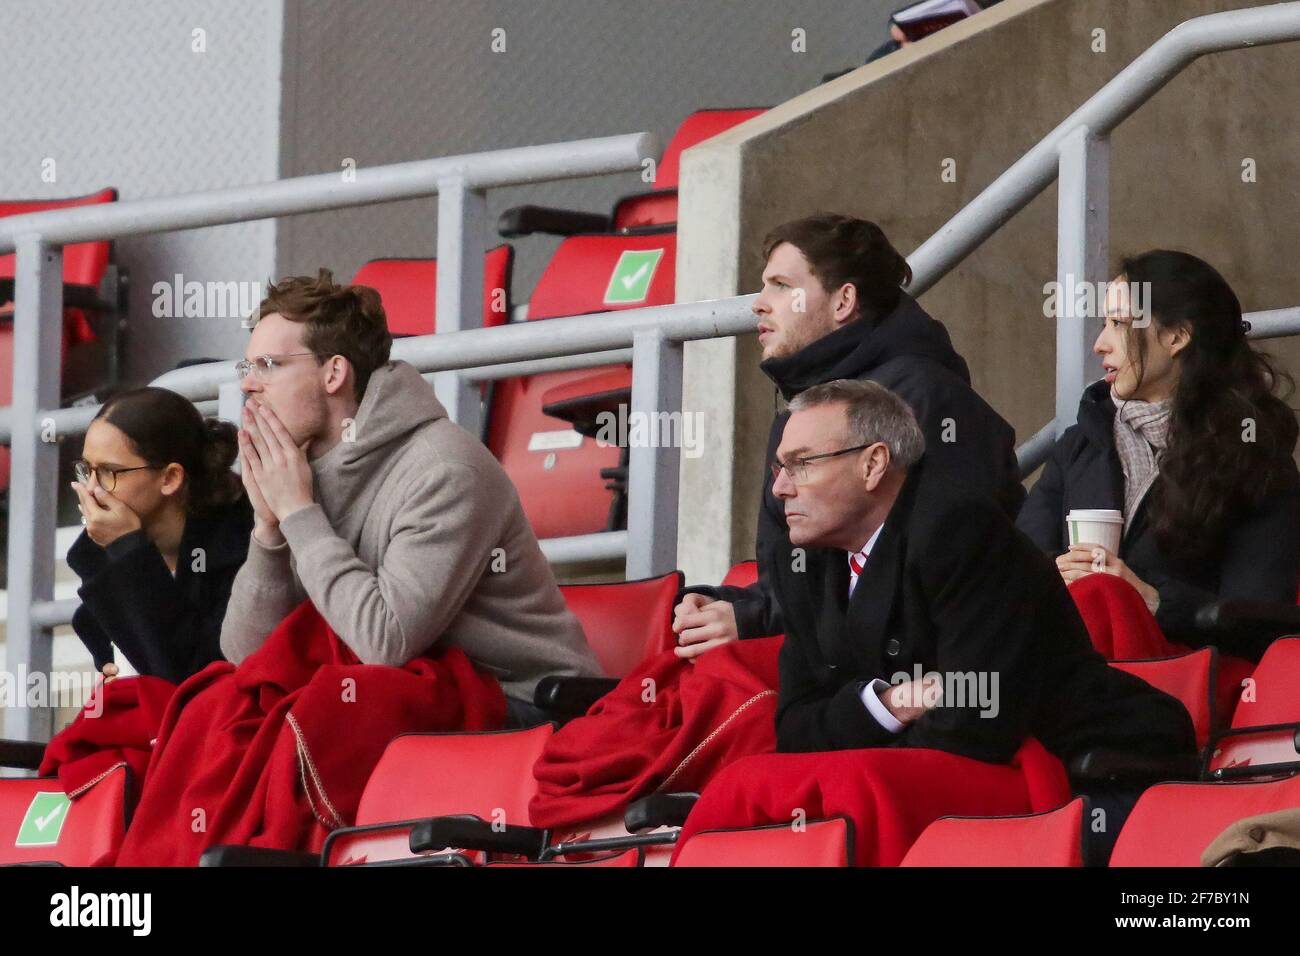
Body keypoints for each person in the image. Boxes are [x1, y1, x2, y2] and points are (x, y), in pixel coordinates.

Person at [218, 269, 600, 726]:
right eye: (247, 368)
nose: (247, 385)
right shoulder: (297, 472)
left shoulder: (445, 470)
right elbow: (246, 660)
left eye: (269, 366)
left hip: (523, 703)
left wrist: (299, 513)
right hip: (396, 700)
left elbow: (384, 642)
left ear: (333, 373)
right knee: (223, 711)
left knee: (328, 719)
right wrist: (268, 530)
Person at [766, 378, 1193, 762]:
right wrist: (893, 703)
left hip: (1082, 762)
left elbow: (973, 719)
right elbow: (793, 731)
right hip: (933, 765)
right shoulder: (802, 557)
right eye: (780, 467)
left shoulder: (956, 528)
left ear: (873, 464)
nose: (780, 488)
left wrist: (858, 726)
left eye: (802, 464)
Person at [674, 213, 1023, 657]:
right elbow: (793, 581)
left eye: (781, 285)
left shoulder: (928, 399)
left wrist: (753, 620)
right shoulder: (806, 404)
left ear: (843, 302)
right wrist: (724, 606)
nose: (759, 304)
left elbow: (916, 589)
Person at [1017, 250, 1300, 662]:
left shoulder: (1256, 461)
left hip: (1173, 684)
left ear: (1175, 337)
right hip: (1070, 671)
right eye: (1104, 324)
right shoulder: (1080, 444)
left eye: (1119, 323)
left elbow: (1257, 619)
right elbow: (1017, 563)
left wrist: (1150, 599)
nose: (1099, 345)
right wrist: (1059, 574)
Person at [67, 387, 254, 684]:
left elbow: (196, 672)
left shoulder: (241, 548)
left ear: (170, 478)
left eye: (108, 472)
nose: (91, 489)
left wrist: (127, 549)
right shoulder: (100, 552)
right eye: (86, 469)